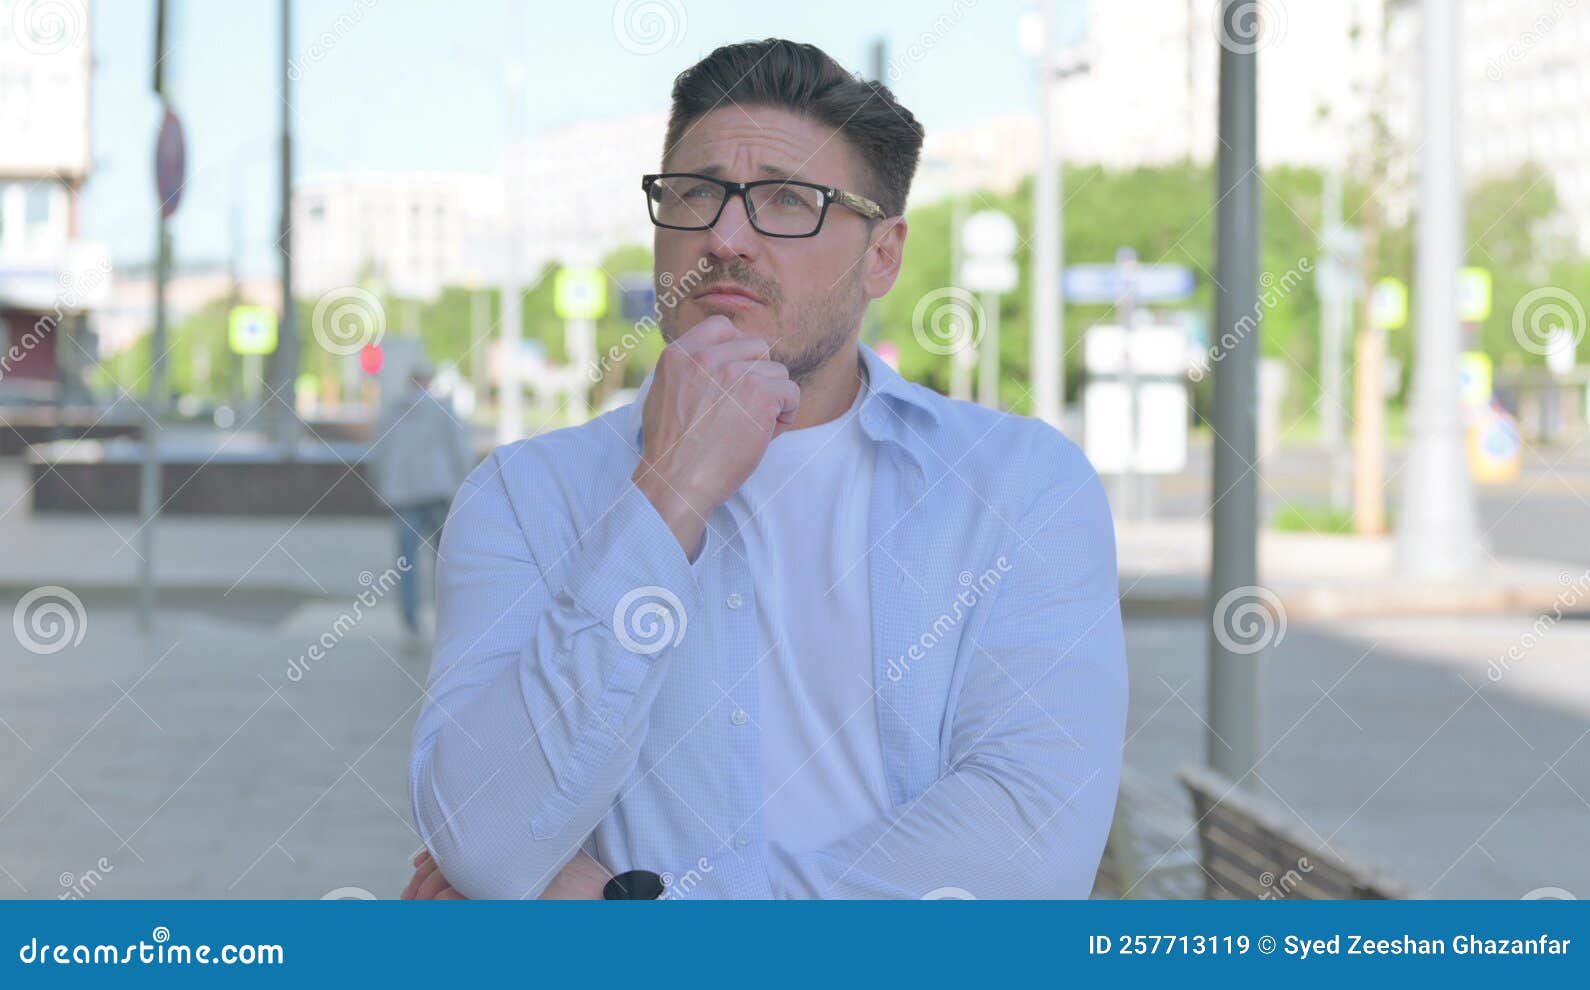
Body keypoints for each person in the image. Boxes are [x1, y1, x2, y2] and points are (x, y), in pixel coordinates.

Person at [403, 39, 1126, 901]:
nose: (724, 235)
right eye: (694, 193)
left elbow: (1026, 852)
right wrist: (667, 494)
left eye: (790, 199)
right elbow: (482, 838)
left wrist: (624, 915)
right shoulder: (525, 496)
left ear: (884, 255)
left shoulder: (1021, 487)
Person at [368, 364, 473, 642]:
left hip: (405, 496)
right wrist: (465, 487)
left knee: (406, 563)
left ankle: (411, 622)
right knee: (446, 563)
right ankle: (449, 621)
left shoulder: (393, 413)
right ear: (428, 381)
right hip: (439, 493)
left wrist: (381, 487)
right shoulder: (443, 410)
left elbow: (379, 452)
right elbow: (460, 451)